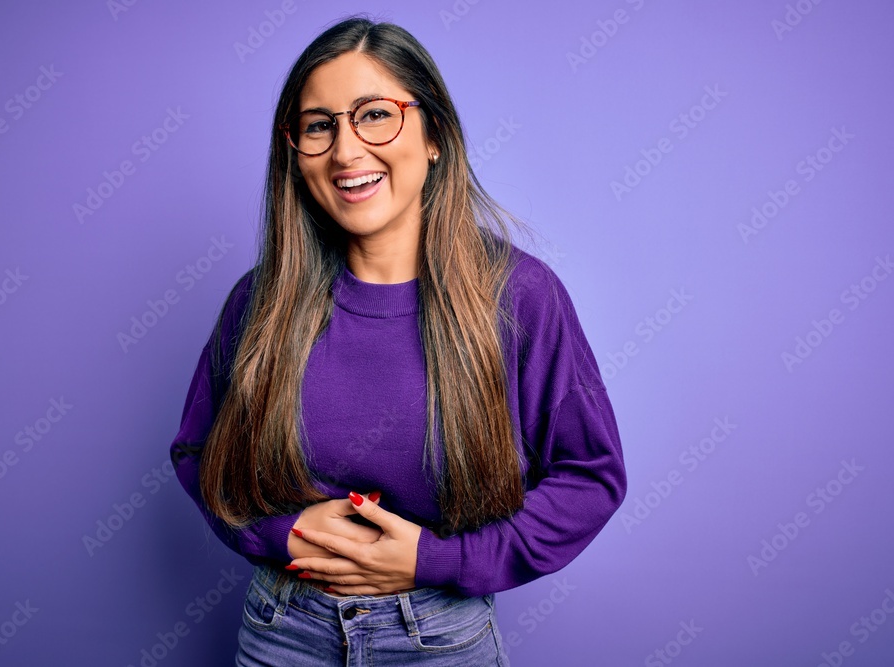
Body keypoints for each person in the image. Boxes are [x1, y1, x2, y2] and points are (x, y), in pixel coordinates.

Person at [169, 14, 627, 666]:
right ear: (295, 154)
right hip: (282, 631)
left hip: (438, 636)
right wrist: (280, 532)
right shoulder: (259, 300)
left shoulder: (521, 298)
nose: (347, 151)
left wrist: (435, 557)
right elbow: (197, 450)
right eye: (320, 125)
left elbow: (592, 477)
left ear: (434, 133)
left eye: (375, 114)